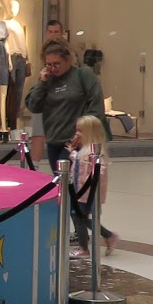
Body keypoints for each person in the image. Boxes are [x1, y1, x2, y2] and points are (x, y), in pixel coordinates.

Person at [25, 40, 106, 244]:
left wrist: (83, 134)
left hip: (76, 145)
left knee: (75, 194)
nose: (53, 68)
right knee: (66, 193)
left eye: (56, 64)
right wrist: (42, 82)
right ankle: (94, 236)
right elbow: (33, 105)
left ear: (68, 59)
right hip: (54, 142)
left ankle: (88, 240)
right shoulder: (48, 79)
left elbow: (96, 107)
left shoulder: (83, 76)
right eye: (49, 64)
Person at [68, 114, 118, 257]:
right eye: (76, 130)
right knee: (80, 218)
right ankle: (108, 235)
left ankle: (84, 248)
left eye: (81, 131)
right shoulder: (83, 149)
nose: (77, 134)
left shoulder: (94, 152)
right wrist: (72, 151)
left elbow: (98, 171)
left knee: (79, 218)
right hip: (78, 192)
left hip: (87, 193)